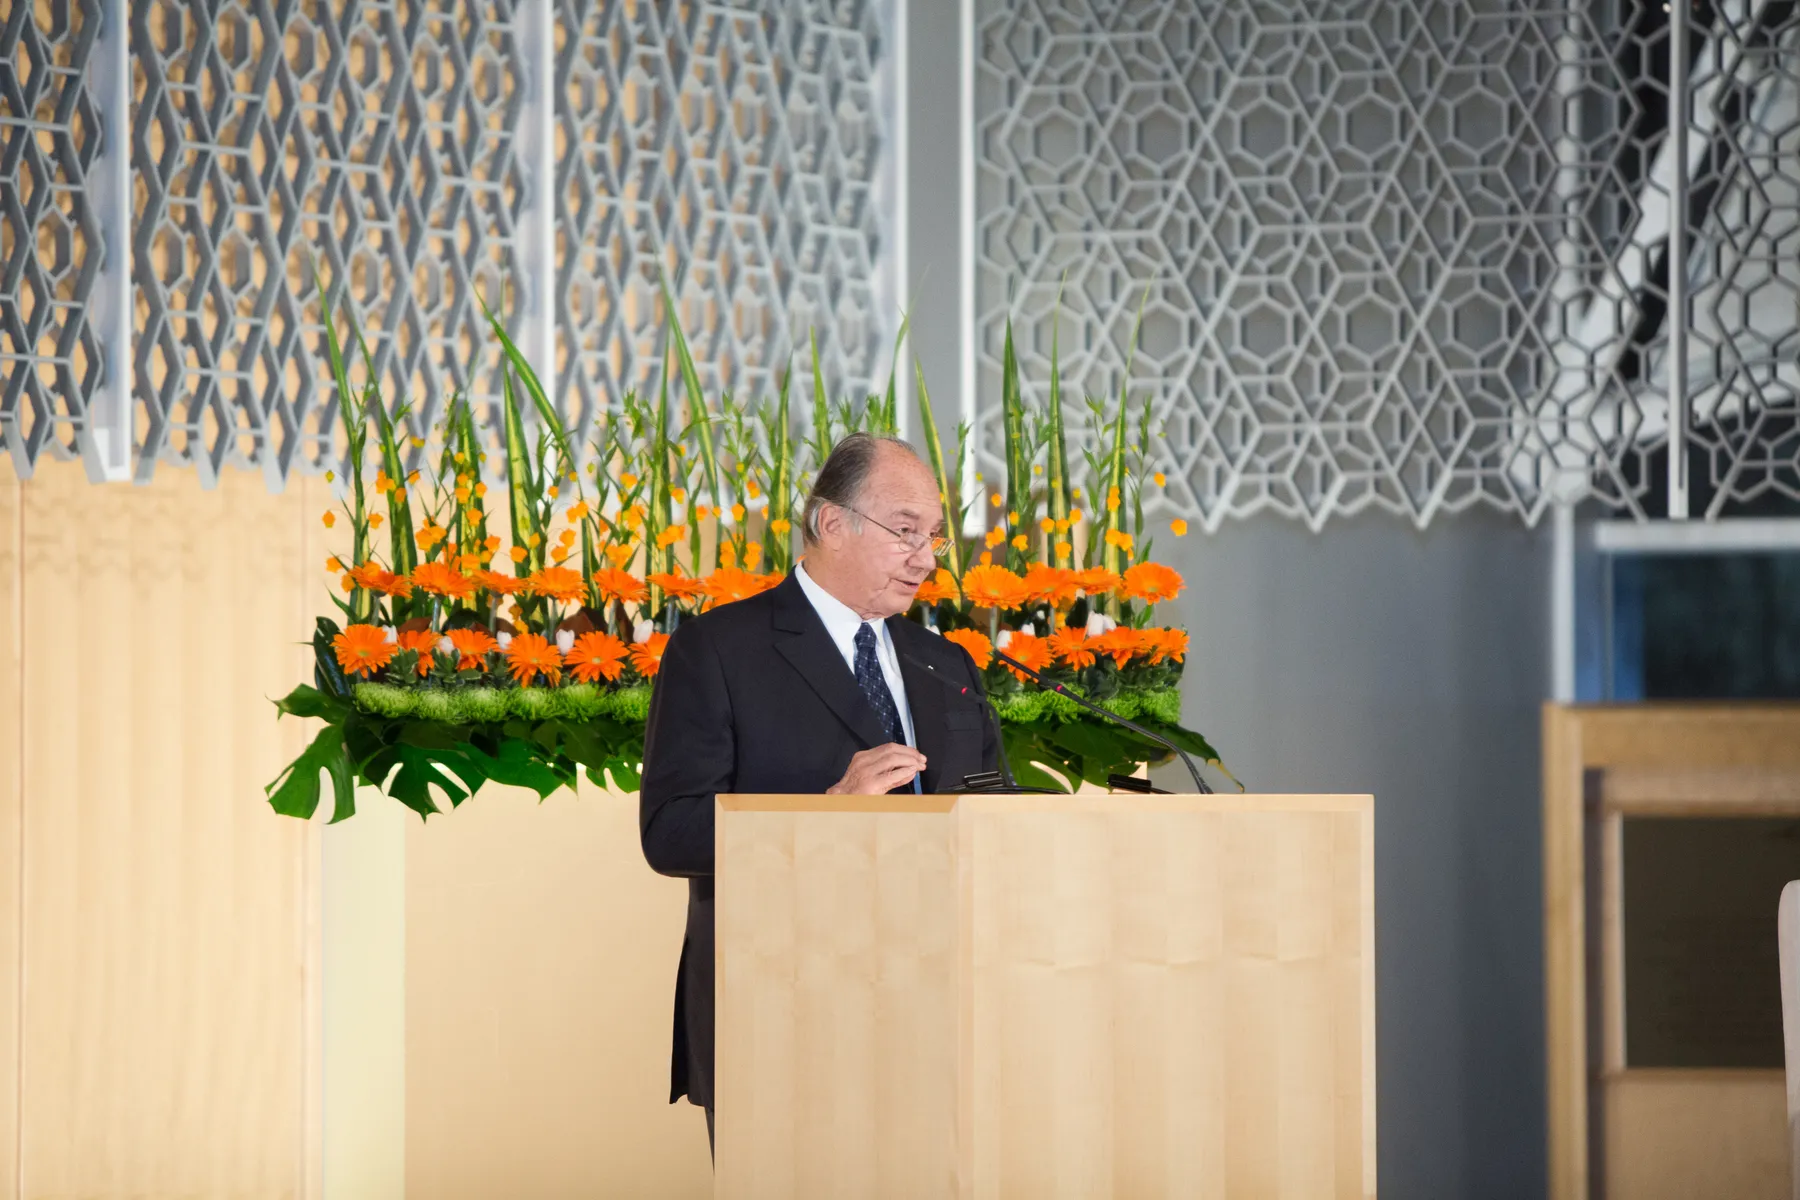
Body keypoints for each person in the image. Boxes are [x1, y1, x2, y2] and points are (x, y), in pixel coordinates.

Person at [639, 432, 1001, 1152]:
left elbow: (992, 814)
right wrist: (827, 812)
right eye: (906, 533)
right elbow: (670, 831)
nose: (927, 559)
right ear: (831, 523)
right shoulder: (718, 650)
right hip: (780, 1005)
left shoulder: (944, 661)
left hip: (941, 1007)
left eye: (934, 537)